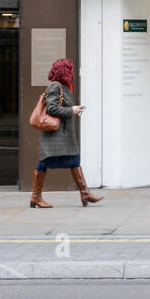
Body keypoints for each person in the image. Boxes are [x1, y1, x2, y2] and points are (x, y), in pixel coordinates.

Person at [30, 58, 103, 208]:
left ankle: (85, 192)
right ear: (64, 71)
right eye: (70, 69)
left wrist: (74, 109)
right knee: (44, 163)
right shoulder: (56, 86)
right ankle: (36, 197)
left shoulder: (64, 87)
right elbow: (51, 108)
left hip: (65, 135)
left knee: (74, 160)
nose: (72, 72)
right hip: (56, 135)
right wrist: (72, 110)